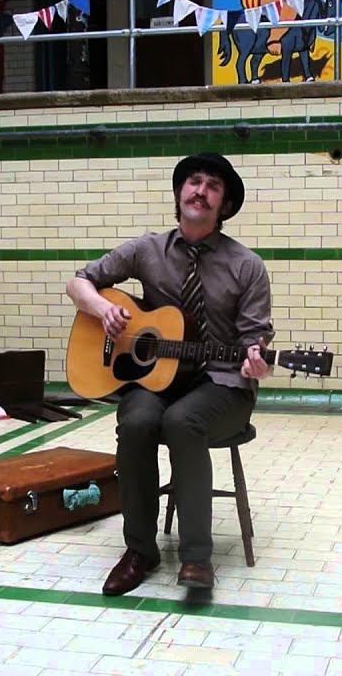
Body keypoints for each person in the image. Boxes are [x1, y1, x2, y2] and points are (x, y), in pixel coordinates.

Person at [65, 153, 275, 595]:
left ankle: (197, 557)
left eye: (212, 186)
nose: (200, 190)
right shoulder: (146, 250)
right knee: (137, 421)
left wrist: (258, 362)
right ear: (180, 193)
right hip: (156, 378)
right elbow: (79, 282)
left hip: (223, 384)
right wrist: (103, 308)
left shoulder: (248, 266)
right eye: (193, 181)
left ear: (225, 204)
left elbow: (254, 342)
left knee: (183, 422)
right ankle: (140, 550)